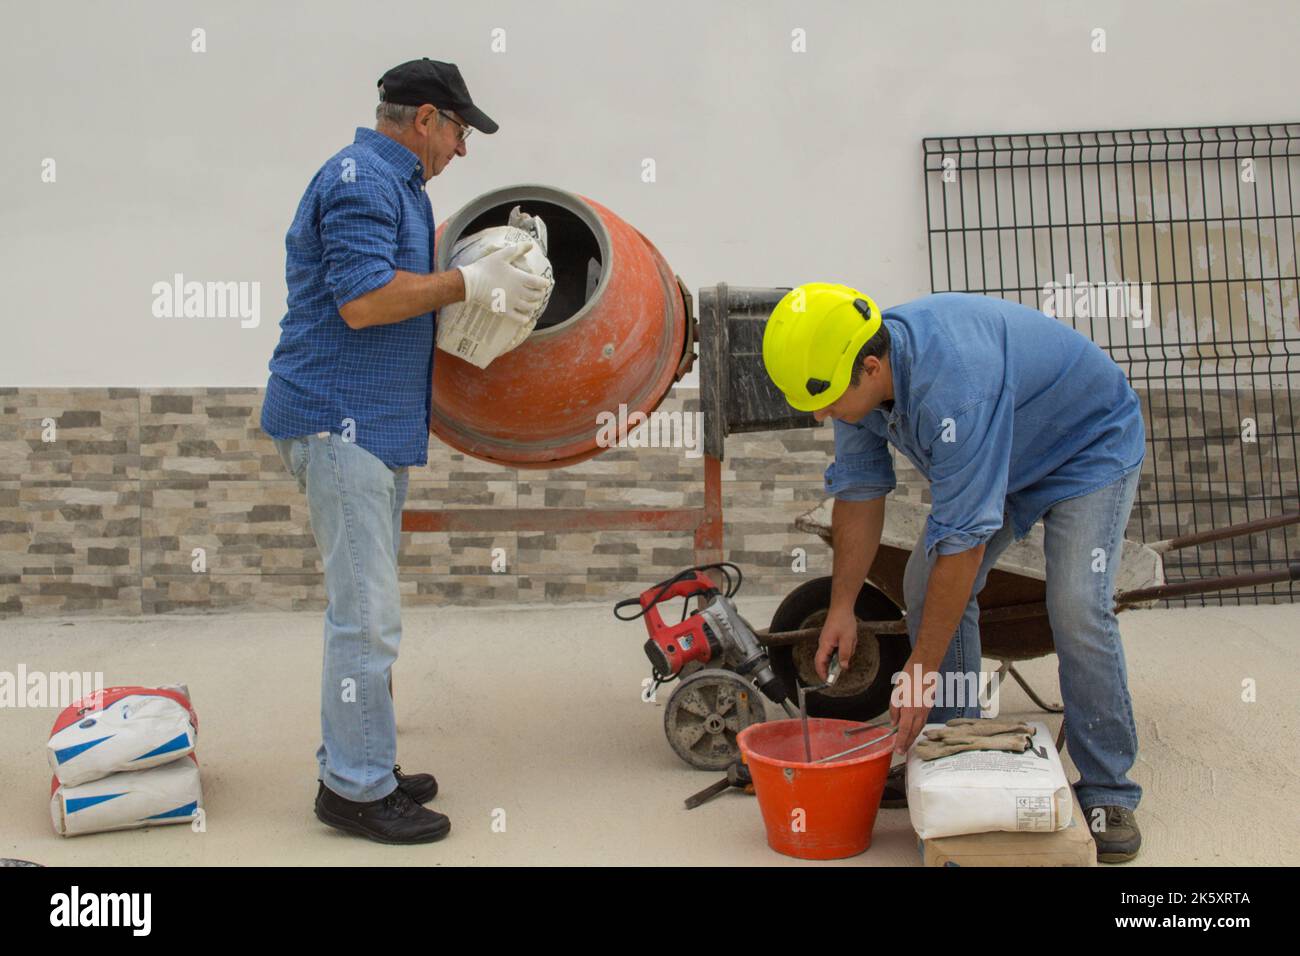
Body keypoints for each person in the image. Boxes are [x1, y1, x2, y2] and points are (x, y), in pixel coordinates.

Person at [259, 58, 548, 844]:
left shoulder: (398, 187)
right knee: (365, 617)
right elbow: (362, 302)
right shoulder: (361, 179)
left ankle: (368, 762)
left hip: (369, 426)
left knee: (369, 613)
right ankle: (352, 790)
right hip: (337, 421)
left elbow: (394, 296)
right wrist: (466, 283)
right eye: (459, 130)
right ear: (424, 119)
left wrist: (476, 291)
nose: (462, 149)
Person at [762, 285, 1147, 863]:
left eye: (826, 400)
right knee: (921, 583)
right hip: (1007, 452)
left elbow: (962, 546)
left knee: (1074, 604)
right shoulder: (846, 369)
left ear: (871, 366)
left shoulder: (955, 387)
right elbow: (861, 494)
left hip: (1087, 448)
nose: (820, 413)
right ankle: (955, 754)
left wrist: (918, 671)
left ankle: (1109, 789)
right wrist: (841, 609)